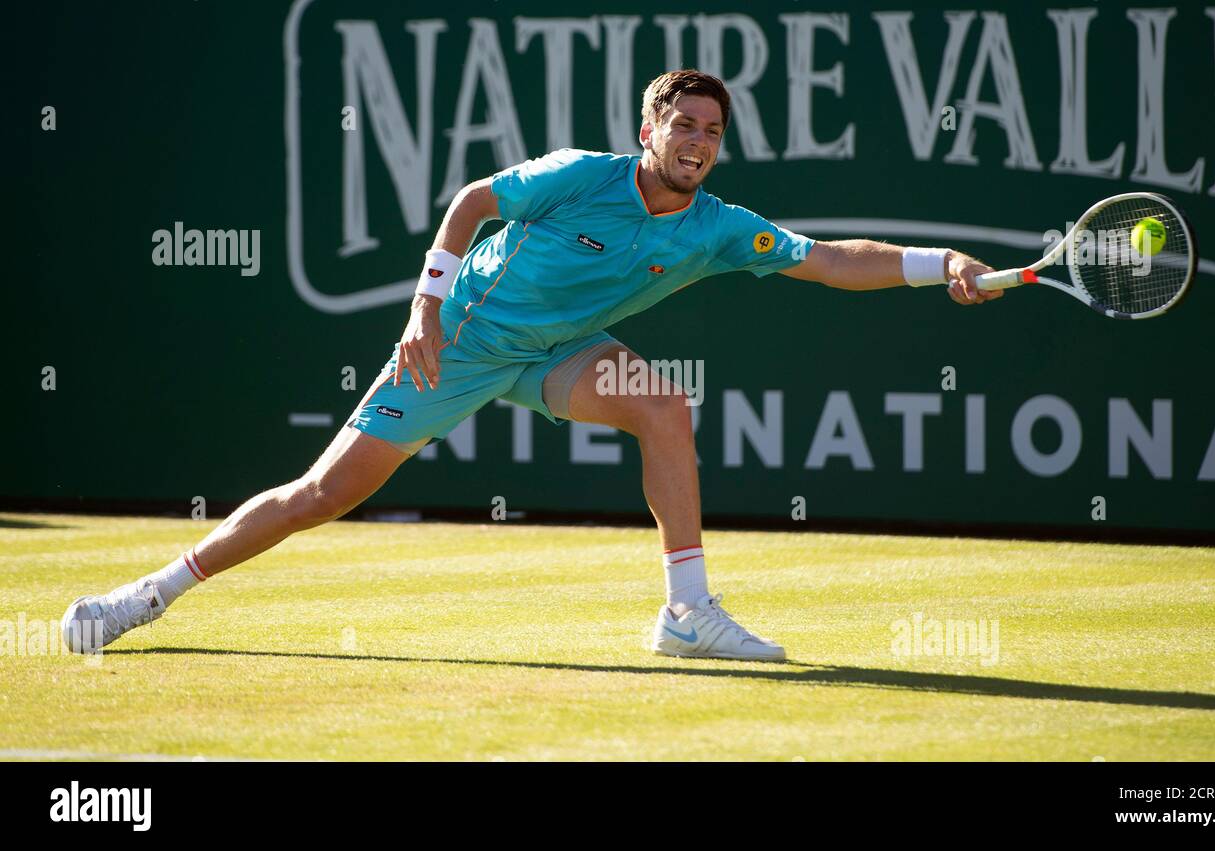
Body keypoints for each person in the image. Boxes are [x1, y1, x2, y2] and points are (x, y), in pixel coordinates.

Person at [62, 69, 1000, 662]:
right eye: (684, 125)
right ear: (649, 131)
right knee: (319, 496)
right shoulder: (581, 174)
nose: (698, 143)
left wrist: (941, 266)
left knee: (665, 406)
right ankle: (144, 598)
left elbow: (834, 259)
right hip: (461, 343)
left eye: (712, 132)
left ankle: (687, 615)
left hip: (559, 354)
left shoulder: (718, 227)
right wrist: (424, 304)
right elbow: (471, 201)